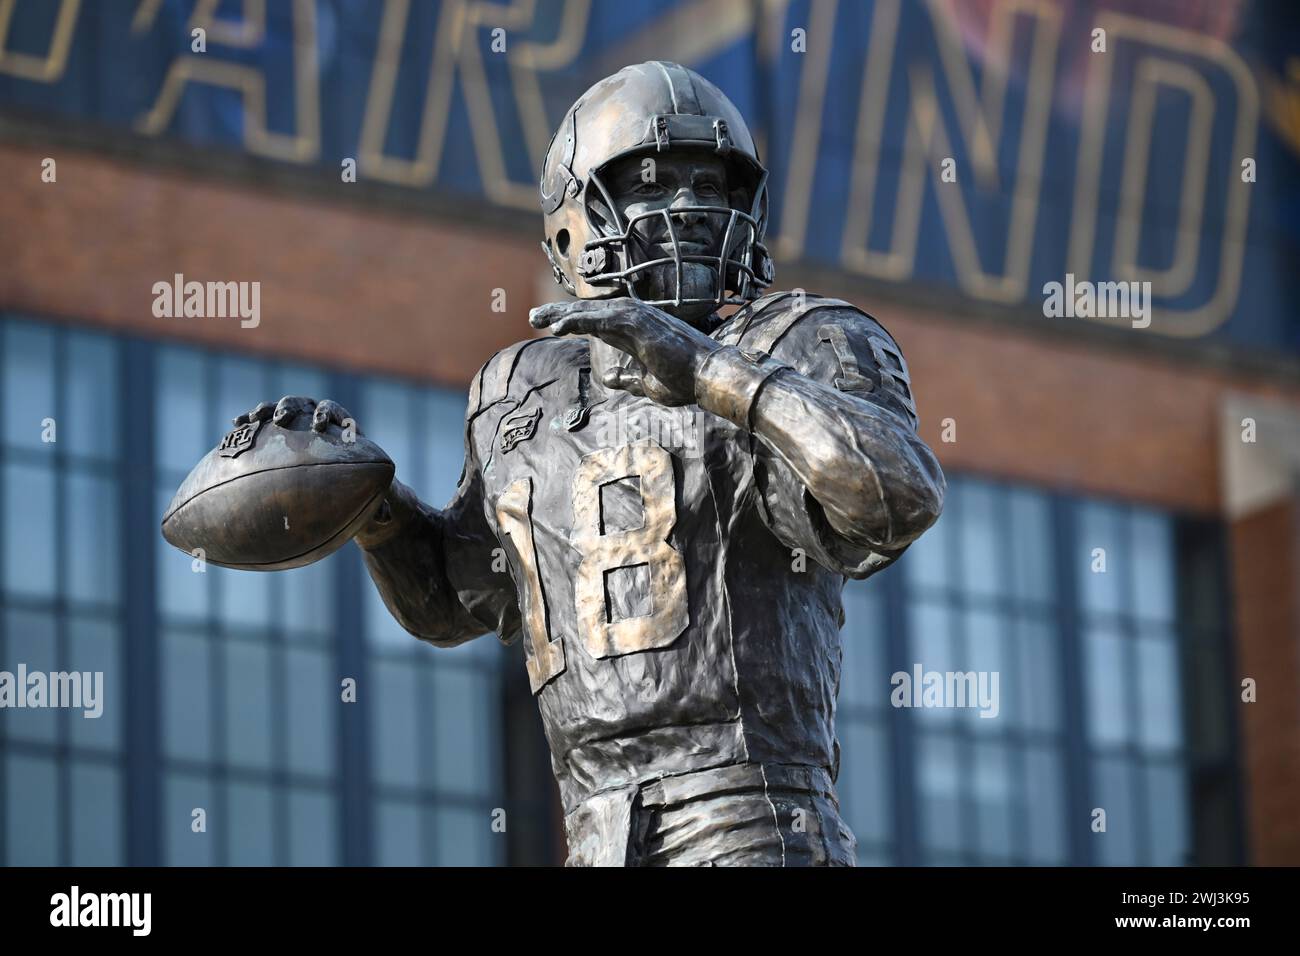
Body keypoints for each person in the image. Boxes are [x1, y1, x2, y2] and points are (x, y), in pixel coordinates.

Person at [240, 61, 945, 866]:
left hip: (752, 817)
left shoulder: (798, 340)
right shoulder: (517, 390)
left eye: (707, 185)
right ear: (573, 225)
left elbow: (899, 494)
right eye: (652, 185)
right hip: (594, 830)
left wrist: (717, 379)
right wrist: (372, 501)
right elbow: (459, 595)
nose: (685, 207)